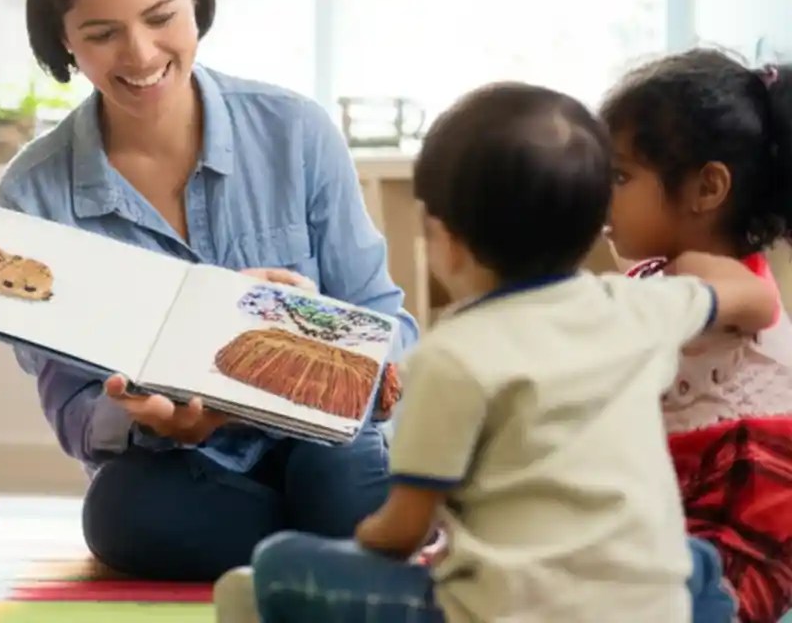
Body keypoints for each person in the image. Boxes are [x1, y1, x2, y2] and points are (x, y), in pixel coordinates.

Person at [213, 82, 757, 623]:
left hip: (502, 608)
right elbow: (746, 294)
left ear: (444, 238)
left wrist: (361, 540)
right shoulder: (640, 310)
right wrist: (714, 287)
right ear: (595, 223)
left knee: (281, 563)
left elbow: (405, 531)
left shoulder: (447, 358)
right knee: (695, 563)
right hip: (642, 603)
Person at [0, 0, 419, 582]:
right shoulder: (33, 197)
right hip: (180, 469)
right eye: (102, 33)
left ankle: (304, 560)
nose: (140, 55)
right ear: (64, 38)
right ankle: (336, 561)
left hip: (320, 439)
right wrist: (155, 418)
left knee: (340, 471)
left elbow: (394, 331)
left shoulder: (296, 132)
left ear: (195, 0)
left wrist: (318, 332)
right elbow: (74, 412)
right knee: (120, 512)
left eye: (161, 17)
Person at [602, 48, 792, 623]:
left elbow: (758, 304)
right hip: (686, 495)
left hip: (744, 510)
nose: (600, 190)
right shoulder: (659, 273)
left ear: (707, 189)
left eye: (619, 175)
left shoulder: (714, 274)